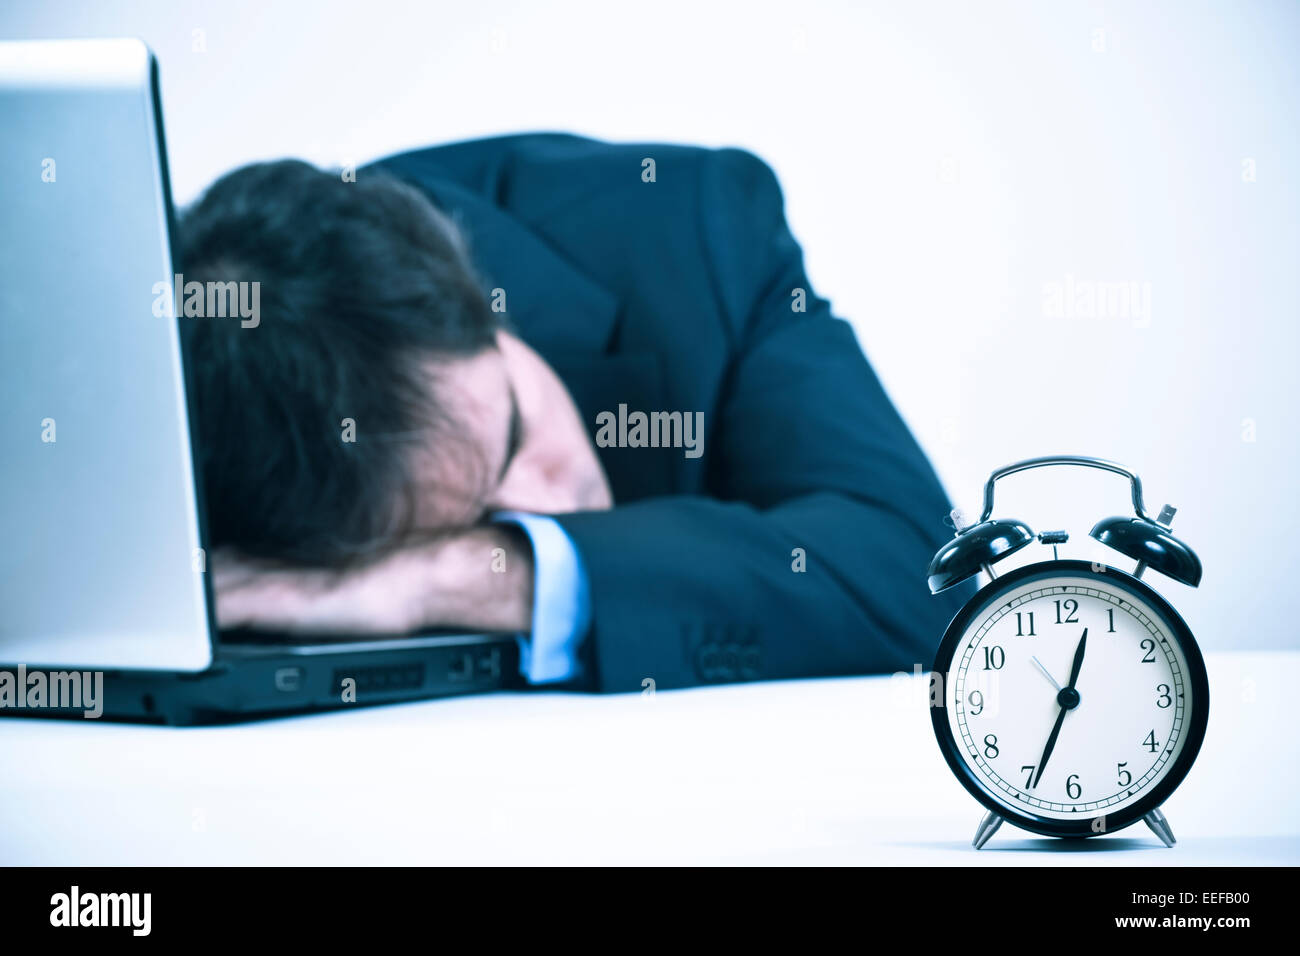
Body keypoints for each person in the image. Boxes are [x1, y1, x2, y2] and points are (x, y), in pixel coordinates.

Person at [181, 132, 969, 692]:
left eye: (515, 436)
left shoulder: (704, 228)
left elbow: (921, 574)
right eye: (453, 524)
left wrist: (459, 576)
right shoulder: (194, 438)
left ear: (479, 291)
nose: (553, 507)